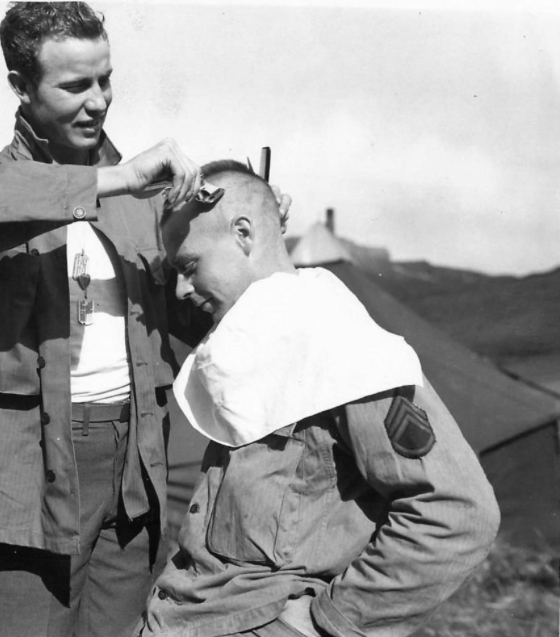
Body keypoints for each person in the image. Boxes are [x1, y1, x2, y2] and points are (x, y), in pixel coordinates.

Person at [0, 3, 254, 636]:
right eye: (74, 85)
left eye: (105, 79)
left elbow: (201, 312)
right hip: (36, 469)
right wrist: (107, 181)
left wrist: (259, 229)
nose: (98, 102)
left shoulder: (148, 201)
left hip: (139, 461)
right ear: (21, 88)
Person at [139, 160, 501, 637]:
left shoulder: (339, 343)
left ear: (244, 235)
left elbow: (457, 513)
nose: (182, 289)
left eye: (189, 267)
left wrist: (326, 622)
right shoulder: (246, 335)